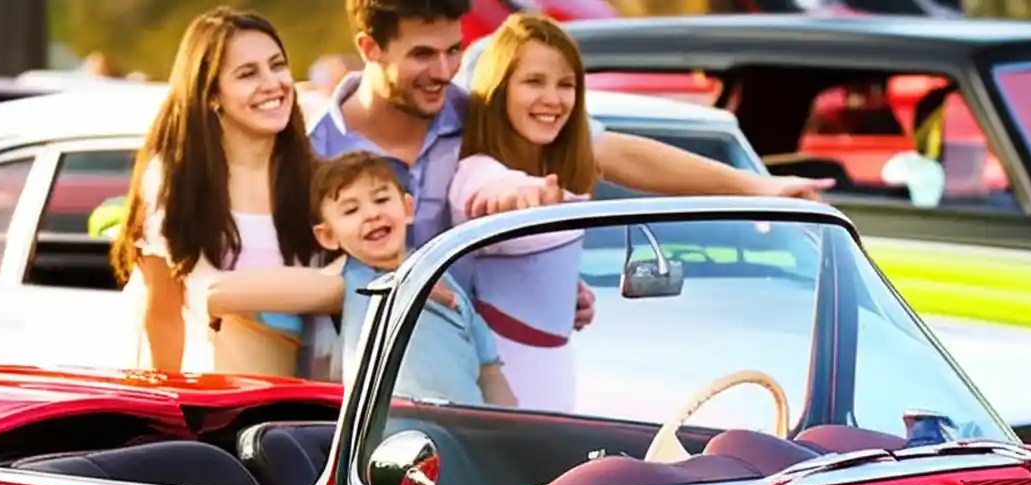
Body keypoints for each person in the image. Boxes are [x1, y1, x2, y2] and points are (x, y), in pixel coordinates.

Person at [308, 0, 834, 332]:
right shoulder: (311, 149)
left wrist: (756, 185)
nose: (444, 70)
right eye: (423, 54)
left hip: (474, 372)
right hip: (351, 383)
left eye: (454, 51)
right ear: (369, 48)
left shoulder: (480, 117)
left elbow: (615, 153)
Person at [206, 150, 518, 406]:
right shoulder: (349, 283)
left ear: (407, 208)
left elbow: (489, 369)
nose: (371, 214)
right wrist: (340, 289)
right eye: (351, 210)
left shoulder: (442, 275)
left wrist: (509, 433)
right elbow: (221, 294)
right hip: (392, 438)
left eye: (381, 200)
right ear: (328, 236)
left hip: (467, 428)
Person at [110, 7, 321, 374]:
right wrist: (173, 400)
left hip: (302, 393)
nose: (273, 83)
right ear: (211, 95)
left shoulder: (315, 174)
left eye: (277, 66)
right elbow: (162, 315)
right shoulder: (175, 180)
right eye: (248, 74)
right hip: (206, 392)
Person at [446, 13, 594, 412]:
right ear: (499, 90)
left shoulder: (565, 174)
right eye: (534, 82)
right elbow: (491, 191)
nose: (553, 99)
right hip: (498, 393)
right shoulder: (476, 171)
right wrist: (520, 197)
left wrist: (567, 292)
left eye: (566, 84)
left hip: (556, 382)